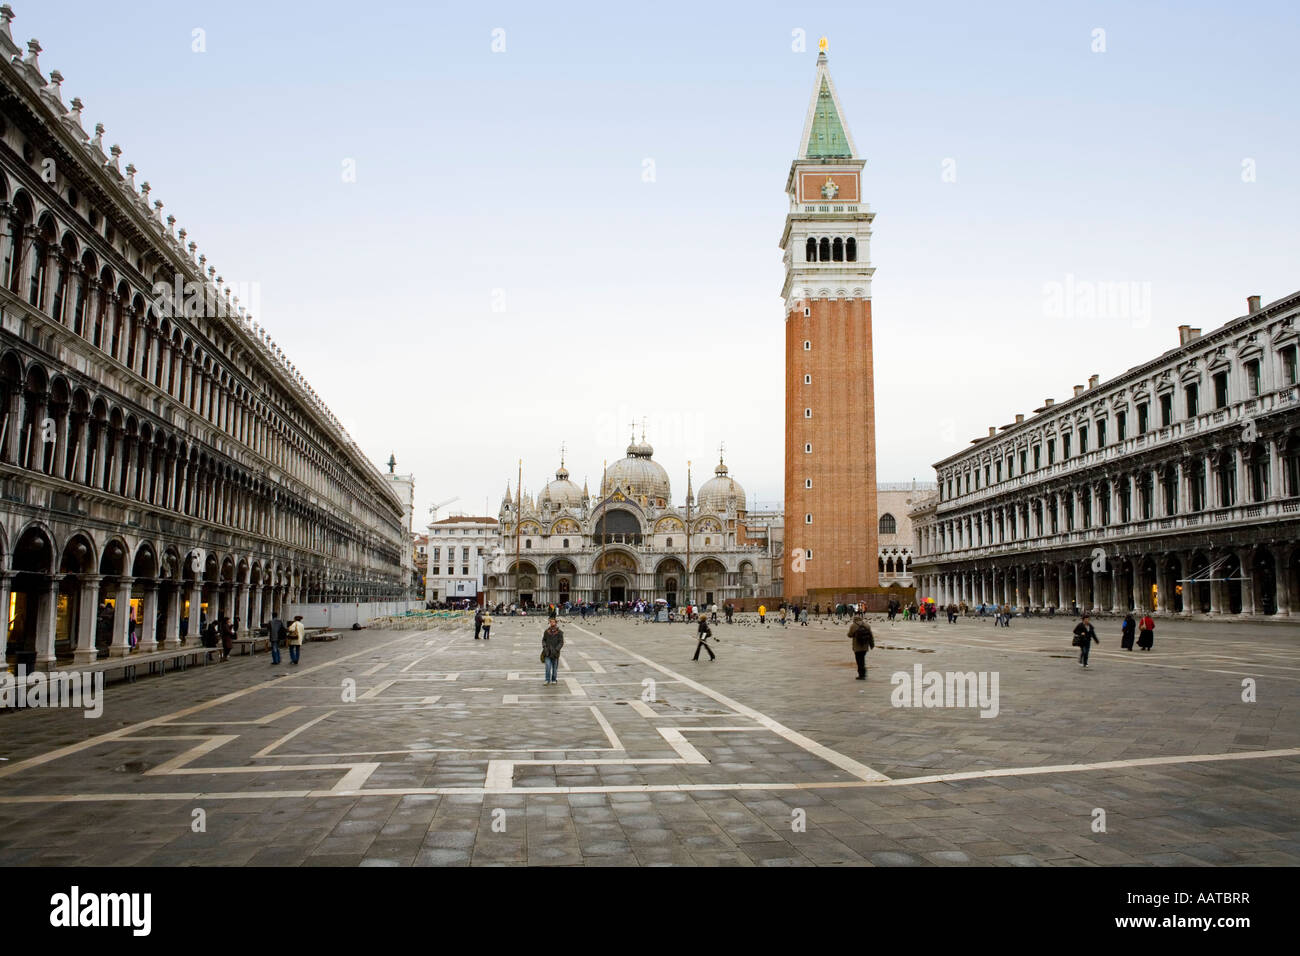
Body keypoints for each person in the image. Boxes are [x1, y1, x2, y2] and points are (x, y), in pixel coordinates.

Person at [849, 614, 874, 680]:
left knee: (859, 660)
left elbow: (849, 635)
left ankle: (861, 675)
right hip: (865, 647)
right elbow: (871, 636)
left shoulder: (853, 626)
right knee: (862, 659)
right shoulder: (867, 625)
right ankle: (863, 672)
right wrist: (872, 645)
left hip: (857, 647)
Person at [541, 615, 564, 684]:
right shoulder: (546, 631)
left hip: (555, 653)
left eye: (553, 622)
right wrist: (544, 646)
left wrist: (557, 649)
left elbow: (561, 642)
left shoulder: (560, 632)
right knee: (547, 666)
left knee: (554, 668)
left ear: (556, 623)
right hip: (547, 652)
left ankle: (554, 679)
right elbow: (543, 640)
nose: (552, 623)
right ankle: (547, 679)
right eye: (551, 622)